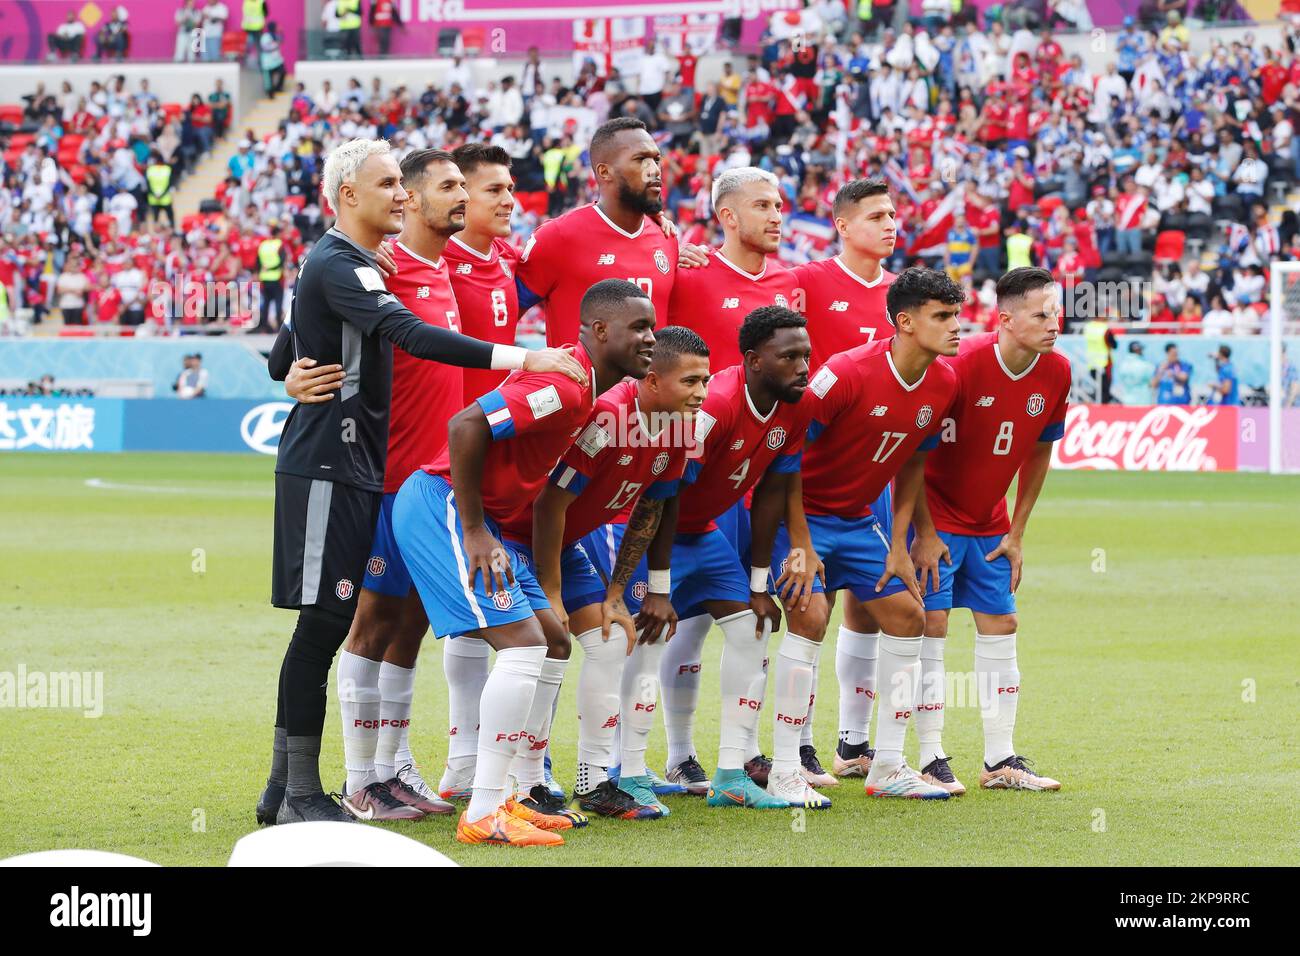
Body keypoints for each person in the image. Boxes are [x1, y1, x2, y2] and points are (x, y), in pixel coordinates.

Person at [256, 137, 585, 826]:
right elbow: (393, 332)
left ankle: (326, 781)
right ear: (353, 195)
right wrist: (529, 355)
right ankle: (330, 785)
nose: (406, 197)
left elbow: (300, 339)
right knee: (338, 624)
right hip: (347, 467)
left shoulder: (422, 267)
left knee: (382, 623)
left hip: (396, 475)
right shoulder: (362, 265)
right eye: (397, 186)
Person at [390, 279, 655, 845]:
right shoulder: (563, 384)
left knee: (555, 640)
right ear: (600, 331)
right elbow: (465, 425)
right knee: (524, 644)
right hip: (443, 506)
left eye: (653, 327)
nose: (650, 339)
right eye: (640, 327)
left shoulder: (586, 392)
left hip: (487, 522)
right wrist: (475, 527)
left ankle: (519, 792)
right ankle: (483, 811)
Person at [584, 306, 819, 807]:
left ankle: (732, 775)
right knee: (647, 640)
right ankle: (629, 771)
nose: (804, 367)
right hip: (645, 534)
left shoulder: (795, 405)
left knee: (752, 628)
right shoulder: (713, 408)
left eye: (807, 355)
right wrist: (661, 589)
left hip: (704, 533)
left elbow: (772, 494)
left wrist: (759, 584)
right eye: (790, 356)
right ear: (755, 361)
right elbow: (662, 497)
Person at [767, 267, 963, 803]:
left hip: (860, 522)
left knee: (908, 617)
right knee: (810, 617)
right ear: (905, 322)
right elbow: (787, 452)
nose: (955, 327)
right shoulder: (846, 373)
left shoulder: (944, 382)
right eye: (942, 316)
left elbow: (913, 464)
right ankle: (787, 767)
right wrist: (801, 543)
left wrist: (901, 544)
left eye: (956, 315)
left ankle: (889, 767)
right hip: (800, 516)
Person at [522, 326, 710, 817]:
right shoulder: (607, 416)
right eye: (690, 381)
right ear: (651, 381)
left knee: (609, 638)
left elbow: (650, 509)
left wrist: (615, 594)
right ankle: (527, 779)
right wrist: (551, 592)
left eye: (705, 380)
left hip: (564, 543)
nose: (702, 393)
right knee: (542, 643)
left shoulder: (680, 427)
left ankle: (595, 779)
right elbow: (547, 505)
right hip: (521, 537)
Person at [909, 266, 1070, 794]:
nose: (1054, 323)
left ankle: (1000, 758)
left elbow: (1040, 452)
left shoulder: (1057, 372)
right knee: (931, 630)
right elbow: (912, 453)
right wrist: (924, 533)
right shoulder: (957, 364)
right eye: (1042, 313)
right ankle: (930, 755)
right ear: (1005, 319)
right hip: (935, 521)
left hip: (991, 526)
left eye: (1057, 310)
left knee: (1002, 628)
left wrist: (1017, 530)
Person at [515, 118, 682, 347]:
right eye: (641, 159)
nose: (654, 170)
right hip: (581, 383)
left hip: (648, 383)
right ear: (604, 172)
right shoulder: (559, 236)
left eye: (656, 159)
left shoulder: (667, 238)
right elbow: (502, 318)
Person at [667, 167, 798, 372]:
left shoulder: (789, 281)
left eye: (778, 207)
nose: (777, 218)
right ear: (729, 217)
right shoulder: (688, 275)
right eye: (762, 206)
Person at [1114, 340, 1155, 404]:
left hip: (1127, 401)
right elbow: (1152, 383)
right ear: (1137, 350)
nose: (1142, 351)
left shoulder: (1122, 365)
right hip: (1143, 401)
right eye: (1141, 349)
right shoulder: (1145, 365)